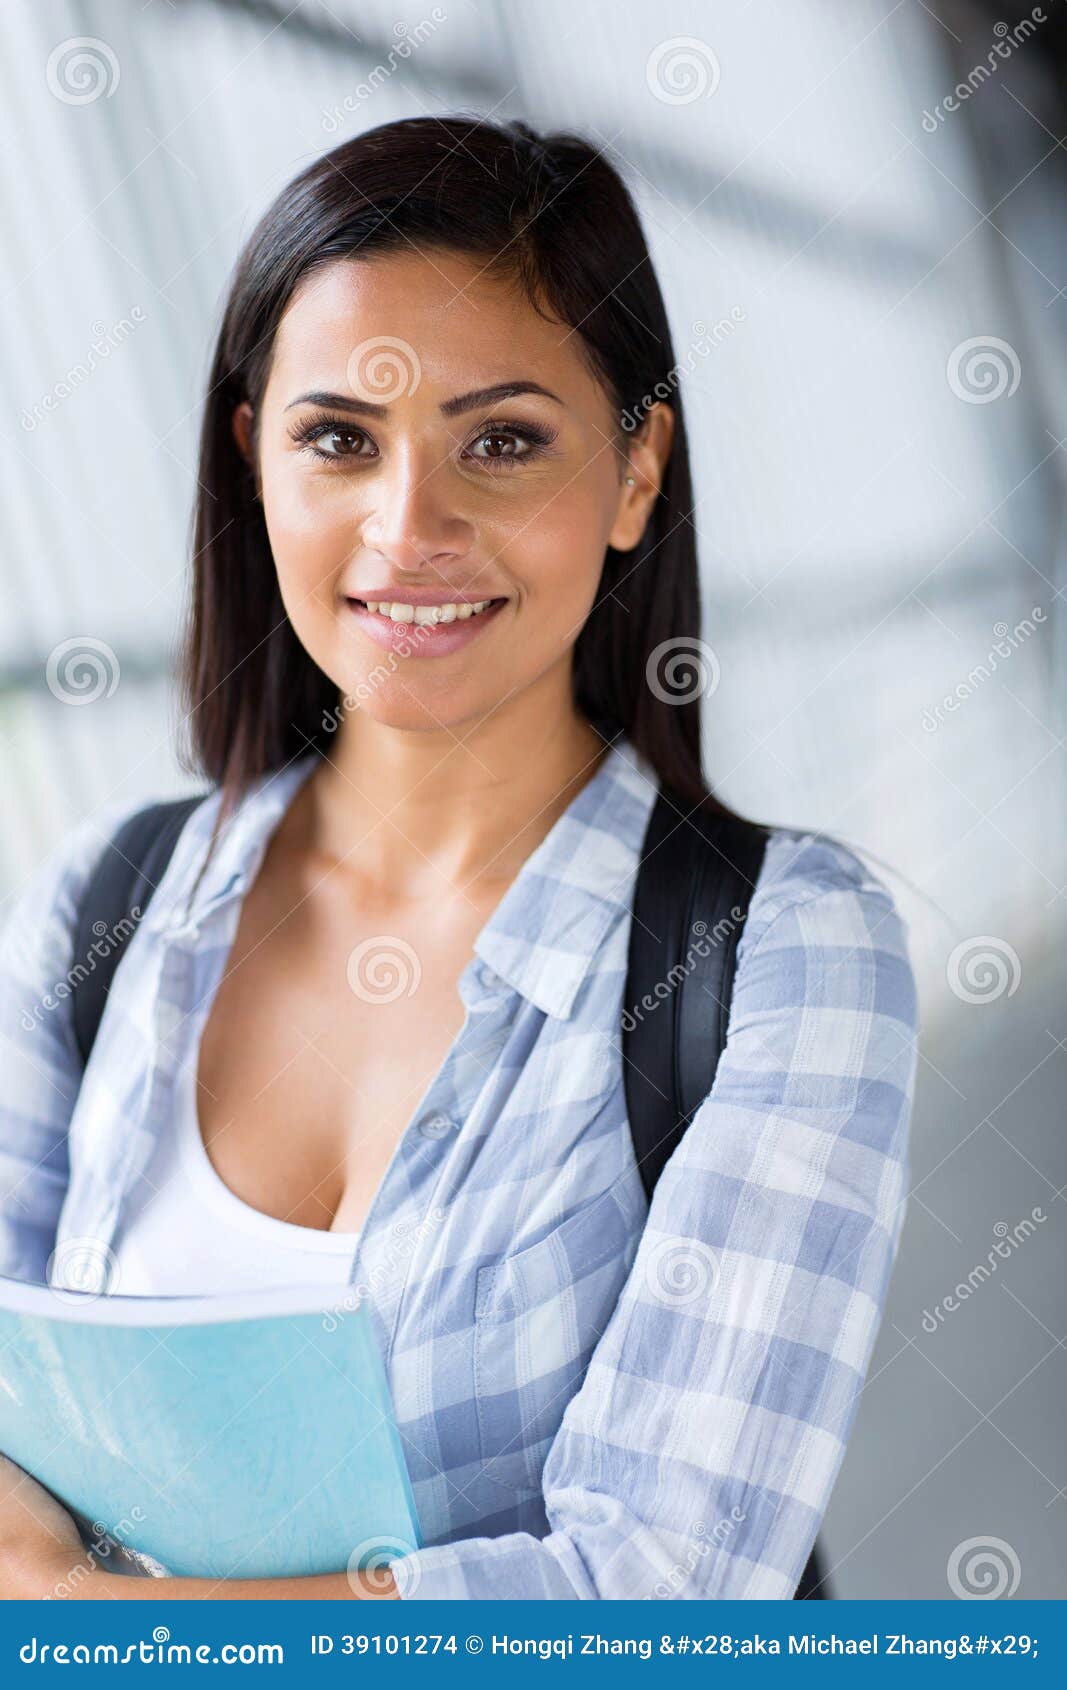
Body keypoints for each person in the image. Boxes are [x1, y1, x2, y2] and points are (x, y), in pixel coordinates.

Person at [0, 114, 918, 1601]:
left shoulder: (784, 950)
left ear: (634, 473)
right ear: (254, 466)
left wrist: (113, 1617)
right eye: (339, 441)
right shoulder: (100, 909)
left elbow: (651, 1591)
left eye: (501, 440)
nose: (409, 525)